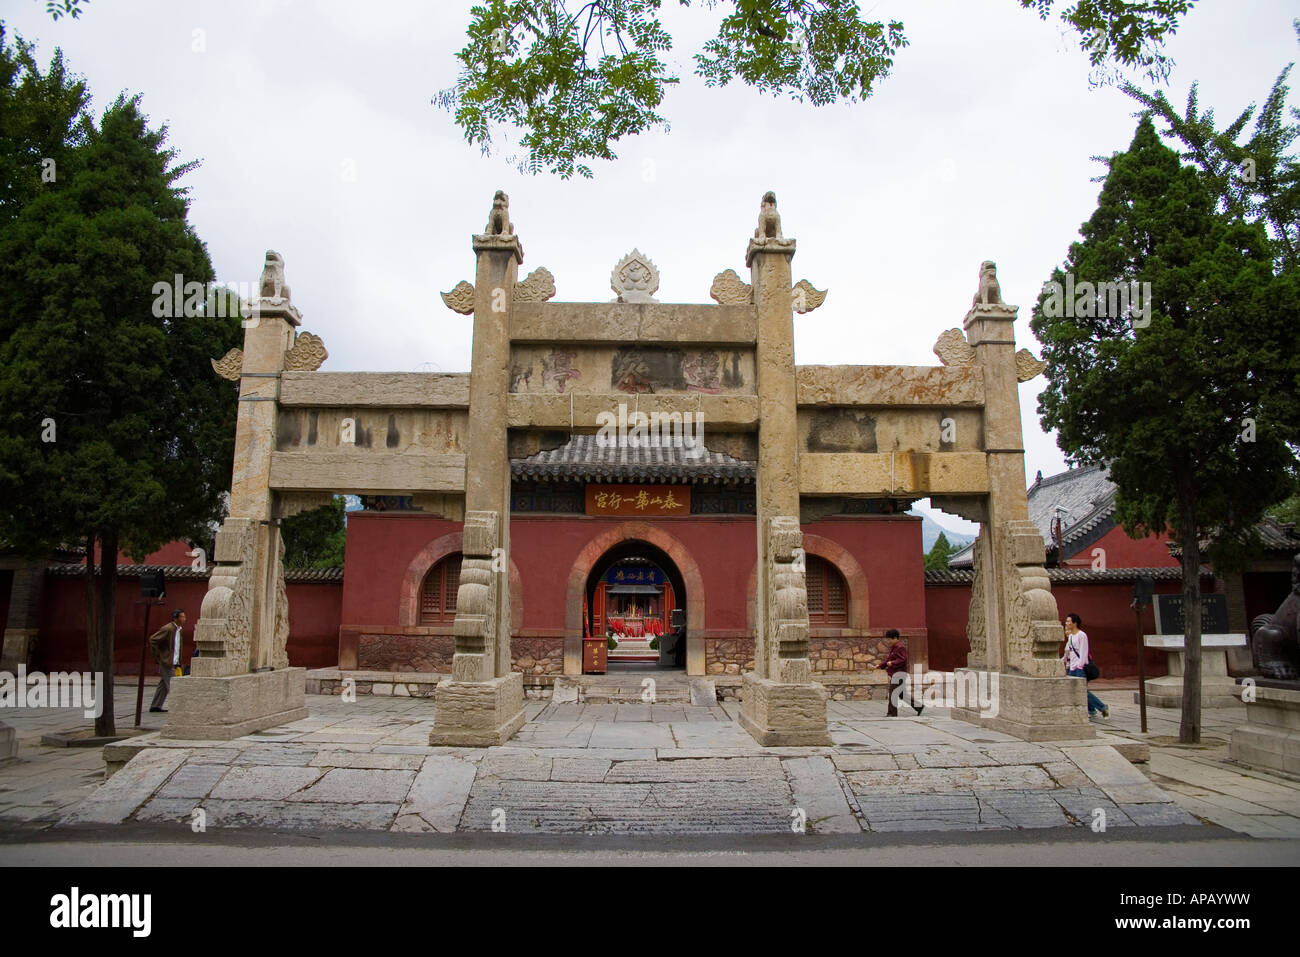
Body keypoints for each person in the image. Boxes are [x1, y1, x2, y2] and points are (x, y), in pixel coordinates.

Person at [1062, 612, 1108, 718]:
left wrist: (1080, 665)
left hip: (1080, 668)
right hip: (1072, 667)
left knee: (1081, 690)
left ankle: (1102, 707)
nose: (1066, 623)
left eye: (1068, 621)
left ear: (1075, 623)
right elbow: (1069, 653)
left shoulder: (1081, 635)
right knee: (1077, 691)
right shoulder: (1071, 637)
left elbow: (1084, 652)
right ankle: (1092, 710)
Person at [147, 608, 186, 713]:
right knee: (173, 685)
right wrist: (160, 657)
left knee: (163, 684)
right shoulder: (168, 628)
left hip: (174, 661)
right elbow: (153, 640)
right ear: (175, 618)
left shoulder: (178, 629)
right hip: (167, 661)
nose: (184, 619)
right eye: (182, 616)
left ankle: (155, 706)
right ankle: (178, 707)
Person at [881, 628, 923, 717]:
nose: (888, 641)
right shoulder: (894, 647)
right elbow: (889, 659)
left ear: (895, 638)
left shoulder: (900, 647)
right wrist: (881, 665)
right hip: (896, 673)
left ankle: (892, 713)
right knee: (901, 693)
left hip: (899, 674)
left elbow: (903, 660)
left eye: (889, 639)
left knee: (893, 693)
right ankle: (919, 707)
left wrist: (892, 663)